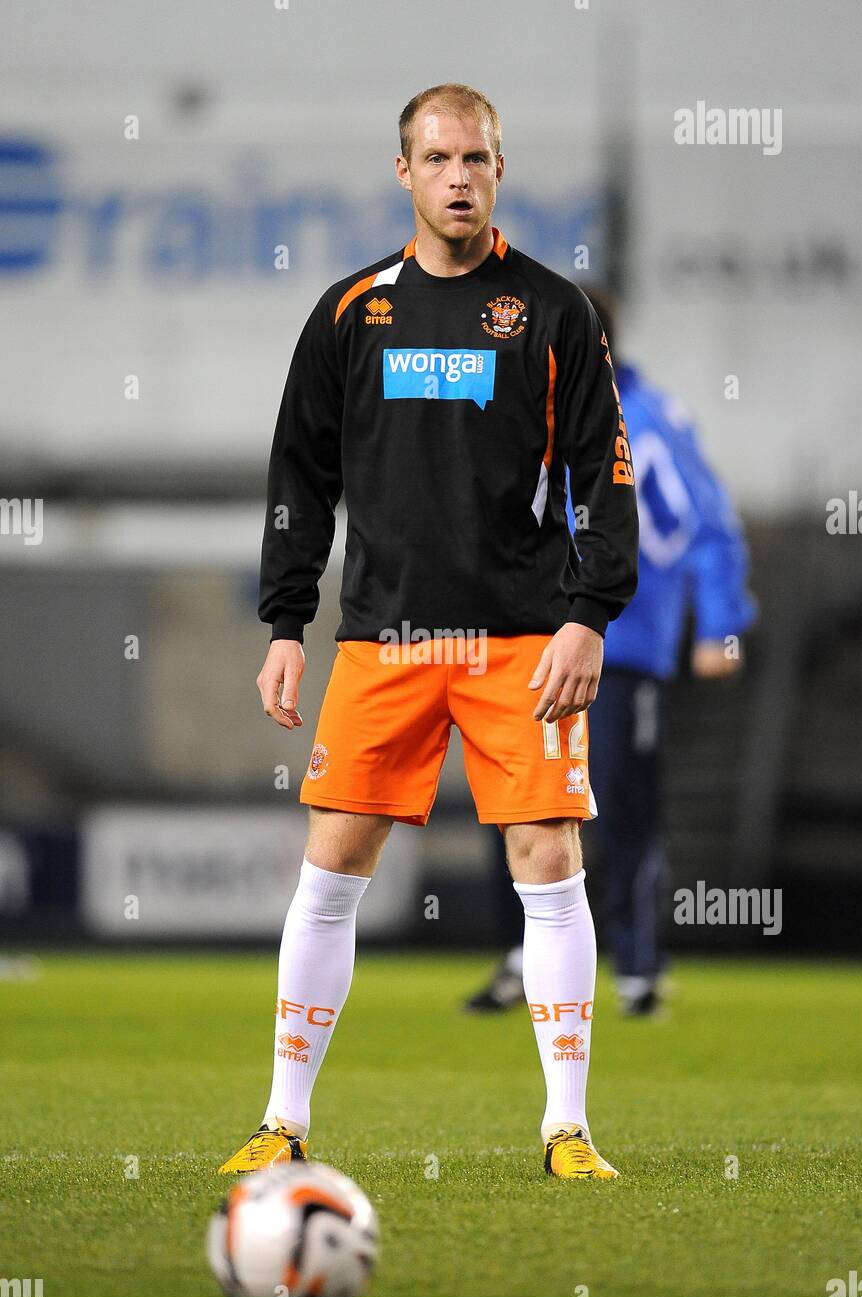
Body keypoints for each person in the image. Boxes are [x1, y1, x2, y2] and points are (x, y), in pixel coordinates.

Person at [219, 85, 638, 1182]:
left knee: (548, 861)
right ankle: (283, 1116)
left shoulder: (551, 314)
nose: (460, 176)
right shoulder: (352, 312)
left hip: (517, 644)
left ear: (501, 170)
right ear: (402, 172)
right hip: (383, 642)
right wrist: (283, 622)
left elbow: (602, 475)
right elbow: (298, 480)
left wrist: (589, 614)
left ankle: (566, 1129)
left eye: (479, 158)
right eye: (439, 158)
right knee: (331, 866)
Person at [465, 287, 756, 1018]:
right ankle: (521, 957)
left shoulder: (649, 419)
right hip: (522, 638)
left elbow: (710, 524)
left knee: (620, 802)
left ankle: (635, 964)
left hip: (623, 640)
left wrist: (719, 625)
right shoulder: (514, 409)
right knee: (513, 801)